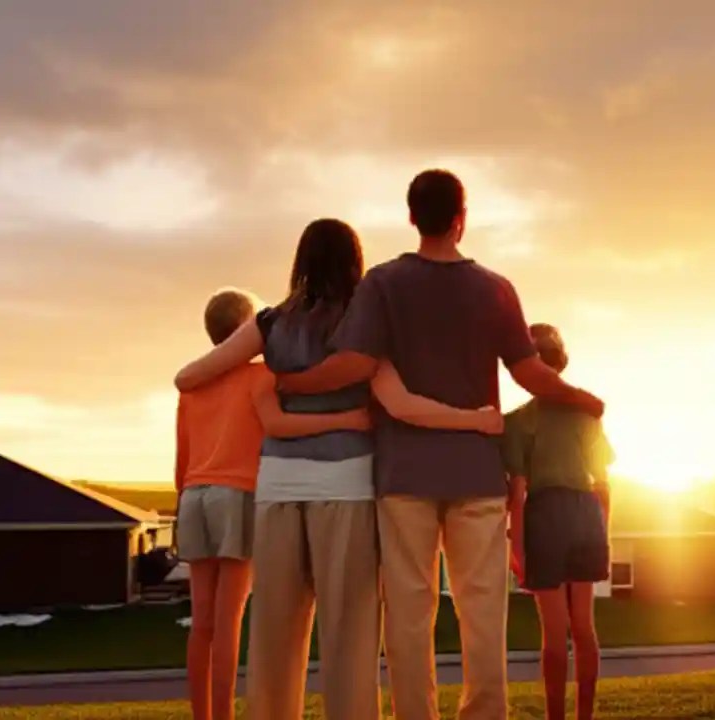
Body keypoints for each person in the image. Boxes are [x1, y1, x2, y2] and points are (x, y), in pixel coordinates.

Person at [275, 170, 605, 720]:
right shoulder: (495, 288)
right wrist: (582, 398)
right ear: (461, 218)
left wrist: (291, 384)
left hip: (404, 476)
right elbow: (530, 373)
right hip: (476, 475)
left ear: (411, 217)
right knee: (482, 618)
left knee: (408, 616)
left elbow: (352, 364)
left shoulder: (381, 283)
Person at [174, 220, 501, 720]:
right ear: (355, 261)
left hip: (277, 488)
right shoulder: (366, 323)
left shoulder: (270, 323)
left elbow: (189, 376)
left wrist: (274, 380)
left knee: (274, 634)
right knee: (348, 634)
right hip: (345, 485)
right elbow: (398, 403)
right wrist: (474, 420)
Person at [175, 287, 371, 720]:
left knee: (202, 621)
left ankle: (202, 716)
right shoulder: (261, 376)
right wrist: (346, 419)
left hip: (193, 496)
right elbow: (278, 425)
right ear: (246, 331)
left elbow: (181, 459)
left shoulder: (193, 387)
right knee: (229, 621)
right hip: (237, 494)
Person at [504, 323, 614, 720]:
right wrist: (605, 533)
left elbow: (517, 494)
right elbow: (603, 486)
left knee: (554, 632)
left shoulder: (516, 422)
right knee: (583, 627)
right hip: (585, 514)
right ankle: (585, 716)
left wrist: (517, 549)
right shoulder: (586, 416)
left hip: (546, 516)